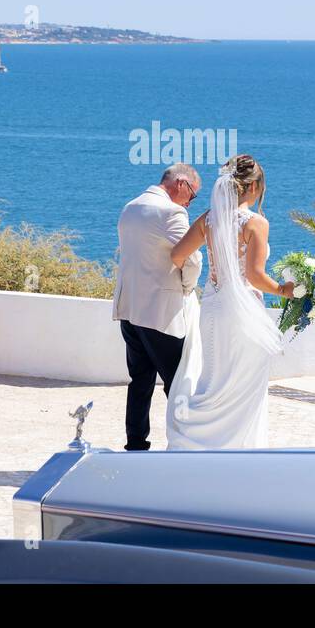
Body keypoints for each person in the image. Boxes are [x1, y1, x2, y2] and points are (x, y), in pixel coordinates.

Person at [165, 154, 296, 450]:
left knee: (213, 380)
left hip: (211, 307)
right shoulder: (255, 223)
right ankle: (235, 446)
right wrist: (285, 290)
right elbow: (255, 275)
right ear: (253, 187)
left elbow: (176, 256)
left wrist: (204, 271)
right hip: (242, 312)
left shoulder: (208, 220)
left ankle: (196, 440)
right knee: (242, 380)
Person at [112, 163, 203, 451]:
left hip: (130, 309)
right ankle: (186, 443)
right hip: (161, 311)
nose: (190, 202)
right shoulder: (172, 212)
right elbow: (190, 257)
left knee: (140, 381)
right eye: (193, 195)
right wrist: (188, 288)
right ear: (181, 183)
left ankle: (135, 444)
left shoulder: (131, 206)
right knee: (178, 383)